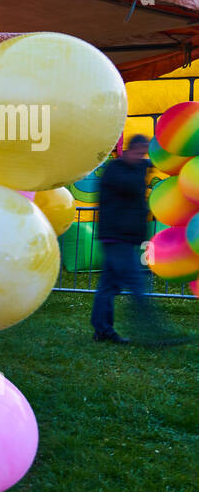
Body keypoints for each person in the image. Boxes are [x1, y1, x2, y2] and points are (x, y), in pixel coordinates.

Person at [90, 134, 183, 344]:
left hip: (124, 239)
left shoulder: (136, 167)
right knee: (136, 284)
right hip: (116, 239)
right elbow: (130, 185)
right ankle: (152, 333)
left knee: (108, 287)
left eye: (145, 154)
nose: (142, 158)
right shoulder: (116, 171)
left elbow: (148, 167)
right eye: (139, 153)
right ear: (129, 150)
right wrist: (146, 166)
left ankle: (103, 330)